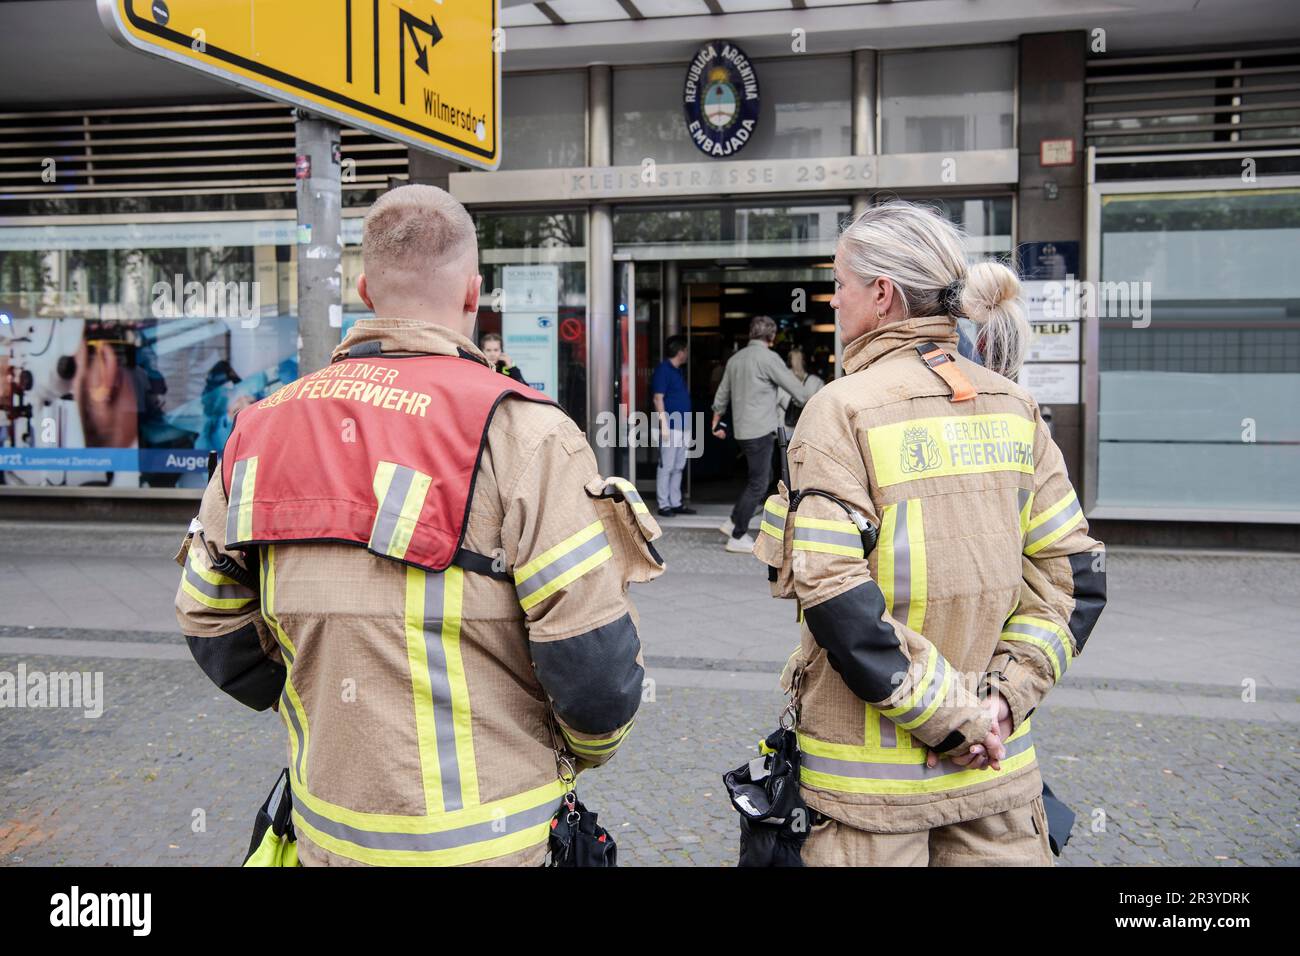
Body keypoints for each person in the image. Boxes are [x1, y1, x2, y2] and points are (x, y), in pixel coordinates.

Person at [175, 184, 661, 866]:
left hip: (327, 840)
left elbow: (208, 618)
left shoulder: (261, 428)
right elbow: (595, 674)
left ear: (366, 288)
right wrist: (580, 753)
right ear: (474, 291)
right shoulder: (528, 434)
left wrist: (316, 690)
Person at [755, 200, 1106, 866]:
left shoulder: (841, 410)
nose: (832, 300)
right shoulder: (1013, 404)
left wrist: (954, 722)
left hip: (870, 805)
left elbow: (835, 596)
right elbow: (1073, 580)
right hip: (996, 782)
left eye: (840, 282)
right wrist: (1001, 705)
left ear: (882, 294)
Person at [710, 315, 818, 553]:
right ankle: (738, 535)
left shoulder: (736, 359)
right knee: (759, 484)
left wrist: (716, 419)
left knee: (762, 476)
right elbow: (797, 392)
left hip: (742, 430)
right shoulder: (769, 359)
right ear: (771, 336)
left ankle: (732, 521)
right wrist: (813, 402)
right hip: (760, 430)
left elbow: (722, 393)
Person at [650, 334, 695, 518]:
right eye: (685, 350)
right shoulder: (664, 370)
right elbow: (657, 398)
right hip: (671, 426)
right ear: (680, 351)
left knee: (678, 466)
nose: (687, 353)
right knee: (666, 466)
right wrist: (664, 425)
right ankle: (663, 504)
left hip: (684, 426)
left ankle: (675, 502)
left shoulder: (677, 370)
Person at [775, 346, 824, 428]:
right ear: (804, 361)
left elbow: (772, 406)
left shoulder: (781, 382)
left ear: (789, 362)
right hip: (807, 429)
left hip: (785, 430)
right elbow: (822, 407)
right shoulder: (816, 382)